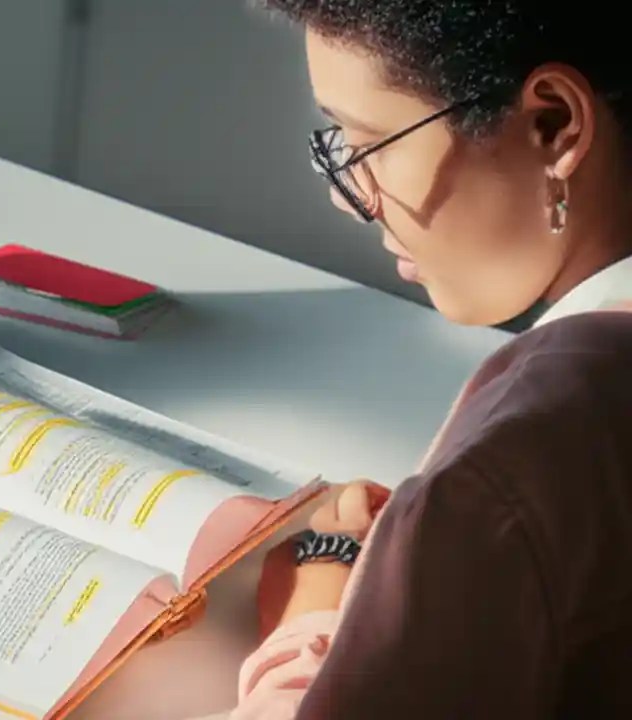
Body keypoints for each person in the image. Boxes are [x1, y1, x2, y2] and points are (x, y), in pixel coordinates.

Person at [209, 2, 632, 718]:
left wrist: (319, 611)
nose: (353, 201)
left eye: (370, 144)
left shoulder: (509, 468)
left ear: (553, 125)